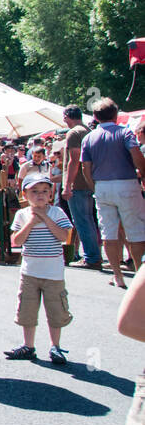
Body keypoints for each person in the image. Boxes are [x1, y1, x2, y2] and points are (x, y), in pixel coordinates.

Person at [3, 173, 74, 364]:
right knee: (27, 309)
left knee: (55, 311)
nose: (40, 195)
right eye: (34, 191)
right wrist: (32, 222)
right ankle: (28, 345)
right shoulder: (22, 215)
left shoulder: (57, 213)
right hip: (30, 272)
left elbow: (63, 237)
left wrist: (45, 219)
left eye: (44, 191)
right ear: (25, 195)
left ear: (51, 194)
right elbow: (16, 240)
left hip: (53, 273)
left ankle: (55, 346)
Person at [78, 97, 145, 289]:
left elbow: (86, 167)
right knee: (135, 231)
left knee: (109, 232)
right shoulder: (125, 133)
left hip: (102, 186)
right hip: (126, 183)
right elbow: (136, 156)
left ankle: (117, 275)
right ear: (115, 115)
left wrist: (94, 186)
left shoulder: (88, 138)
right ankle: (140, 276)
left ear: (96, 117)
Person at [60, 105, 102, 270]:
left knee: (82, 221)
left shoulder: (74, 133)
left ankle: (91, 257)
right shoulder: (88, 130)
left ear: (66, 116)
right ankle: (94, 255)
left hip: (77, 184)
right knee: (89, 220)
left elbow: (74, 160)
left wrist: (68, 185)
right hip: (89, 182)